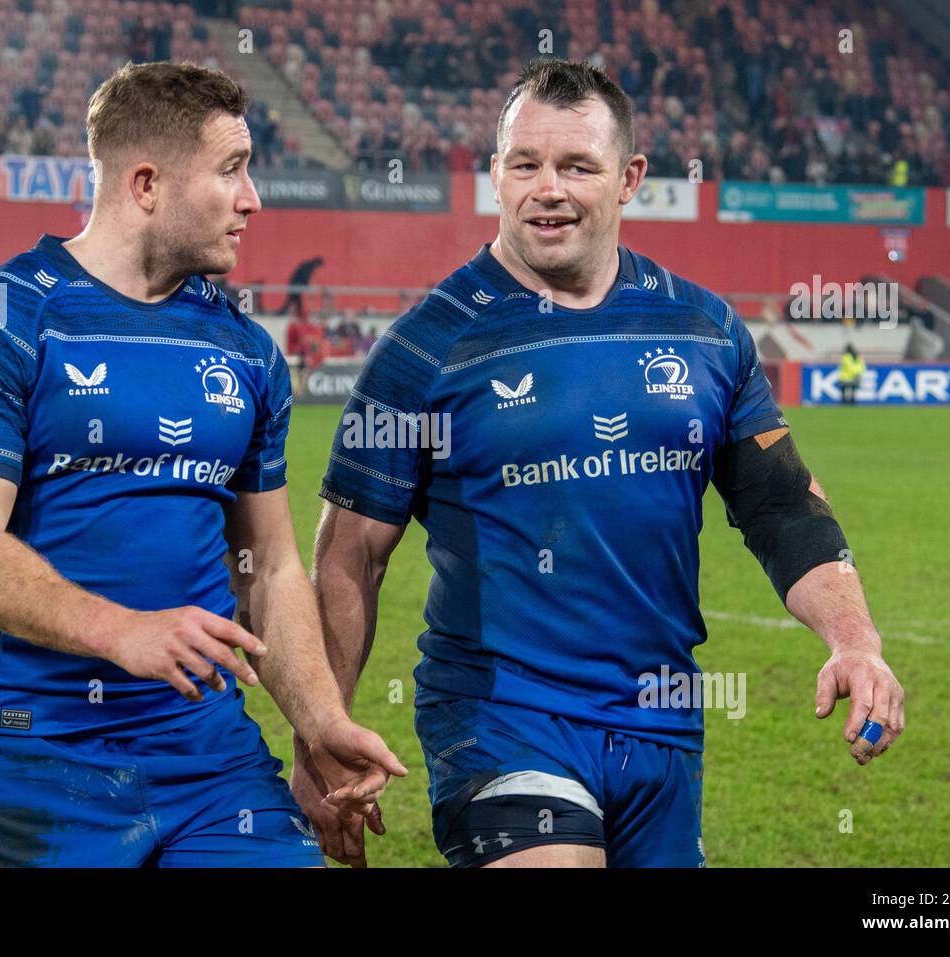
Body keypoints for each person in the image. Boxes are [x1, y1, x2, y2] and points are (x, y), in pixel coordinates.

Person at [304, 59, 905, 869]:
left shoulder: (703, 328)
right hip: (500, 715)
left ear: (629, 179)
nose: (545, 188)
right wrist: (322, 728)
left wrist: (855, 640)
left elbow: (782, 505)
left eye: (575, 166)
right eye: (525, 164)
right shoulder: (425, 346)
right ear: (496, 173)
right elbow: (350, 553)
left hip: (662, 717)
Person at [0, 61, 404, 867]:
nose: (254, 200)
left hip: (209, 758)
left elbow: (271, 566)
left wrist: (320, 721)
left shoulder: (245, 349)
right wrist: (122, 631)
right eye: (232, 171)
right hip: (29, 752)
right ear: (146, 183)